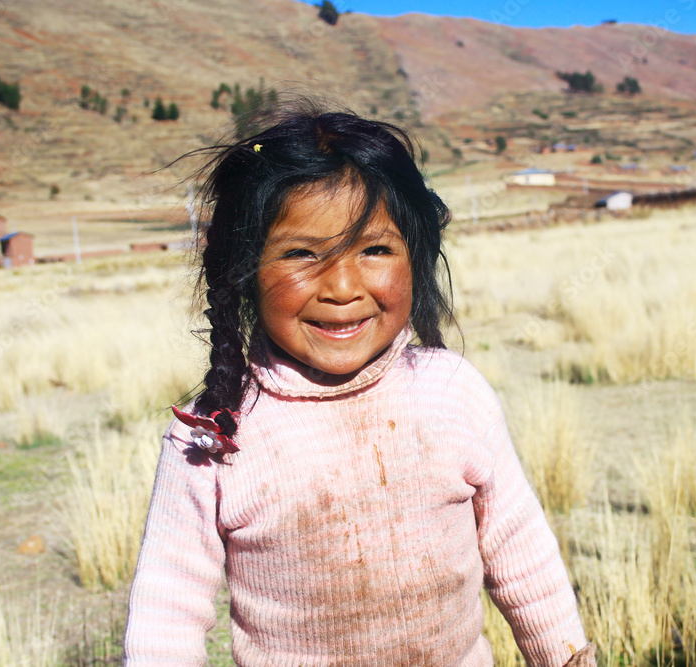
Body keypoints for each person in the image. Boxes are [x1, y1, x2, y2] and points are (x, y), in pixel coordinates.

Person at [123, 99, 596, 666]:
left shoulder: (452, 393)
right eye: (301, 254)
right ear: (244, 272)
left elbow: (522, 556)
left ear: (415, 260)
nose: (343, 288)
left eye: (374, 250)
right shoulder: (212, 438)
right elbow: (166, 616)